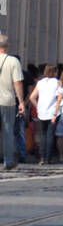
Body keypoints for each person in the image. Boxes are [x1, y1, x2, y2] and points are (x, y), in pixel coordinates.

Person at [0, 34, 26, 170]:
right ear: (7, 46)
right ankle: (8, 160)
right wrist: (21, 102)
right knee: (7, 131)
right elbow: (17, 83)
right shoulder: (13, 61)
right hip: (7, 101)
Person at [29, 65, 61, 164]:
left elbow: (32, 97)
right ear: (55, 72)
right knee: (50, 134)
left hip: (42, 111)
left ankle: (42, 157)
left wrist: (38, 106)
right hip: (52, 111)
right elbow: (59, 98)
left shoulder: (40, 82)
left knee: (43, 134)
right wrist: (56, 112)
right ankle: (48, 157)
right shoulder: (57, 82)